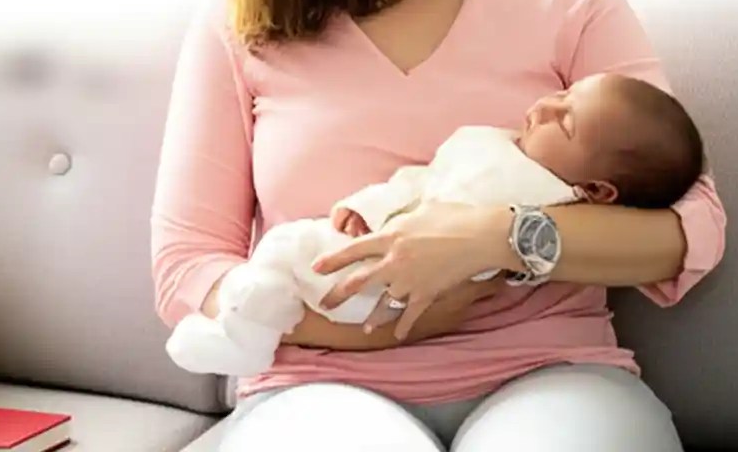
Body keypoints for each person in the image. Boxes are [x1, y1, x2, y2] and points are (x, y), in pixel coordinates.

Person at [149, 0, 727, 450]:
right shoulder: (243, 28)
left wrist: (499, 237)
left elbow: (689, 228)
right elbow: (187, 267)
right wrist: (385, 326)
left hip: (549, 373)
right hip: (318, 390)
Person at [163, 72, 706, 379]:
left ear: (598, 191)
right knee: (285, 250)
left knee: (287, 261)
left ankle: (250, 327)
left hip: (539, 365)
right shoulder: (486, 142)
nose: (542, 108)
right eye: (558, 96)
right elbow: (419, 180)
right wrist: (369, 208)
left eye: (565, 119)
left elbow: (686, 230)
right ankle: (249, 332)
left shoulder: (561, 200)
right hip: (346, 315)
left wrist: (494, 242)